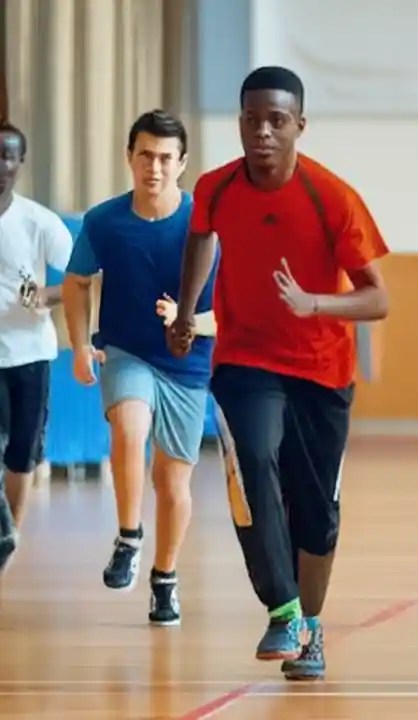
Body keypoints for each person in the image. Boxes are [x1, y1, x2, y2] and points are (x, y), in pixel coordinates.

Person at [167, 66, 390, 681]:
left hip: (322, 369)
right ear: (239, 121)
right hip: (245, 360)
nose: (262, 132)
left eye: (276, 120)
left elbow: (378, 299)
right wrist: (186, 312)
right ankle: (283, 608)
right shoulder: (215, 187)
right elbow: (200, 238)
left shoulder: (332, 197)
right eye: (251, 119)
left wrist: (317, 303)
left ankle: (311, 626)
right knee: (254, 462)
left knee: (316, 512)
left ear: (299, 126)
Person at [62, 109, 217, 625]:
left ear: (183, 163)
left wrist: (187, 320)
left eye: (166, 158)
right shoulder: (104, 221)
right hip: (126, 351)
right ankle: (129, 536)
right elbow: (78, 282)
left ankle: (165, 578)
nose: (155, 167)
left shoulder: (204, 227)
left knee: (173, 486)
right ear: (130, 157)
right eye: (145, 155)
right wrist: (81, 345)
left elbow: (230, 311)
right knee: (130, 426)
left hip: (186, 365)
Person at [0, 121, 73, 574]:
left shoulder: (38, 221)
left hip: (29, 354)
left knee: (22, 454)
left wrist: (48, 296)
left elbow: (85, 278)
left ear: (20, 164)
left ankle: (9, 540)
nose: (0, 164)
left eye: (9, 156)